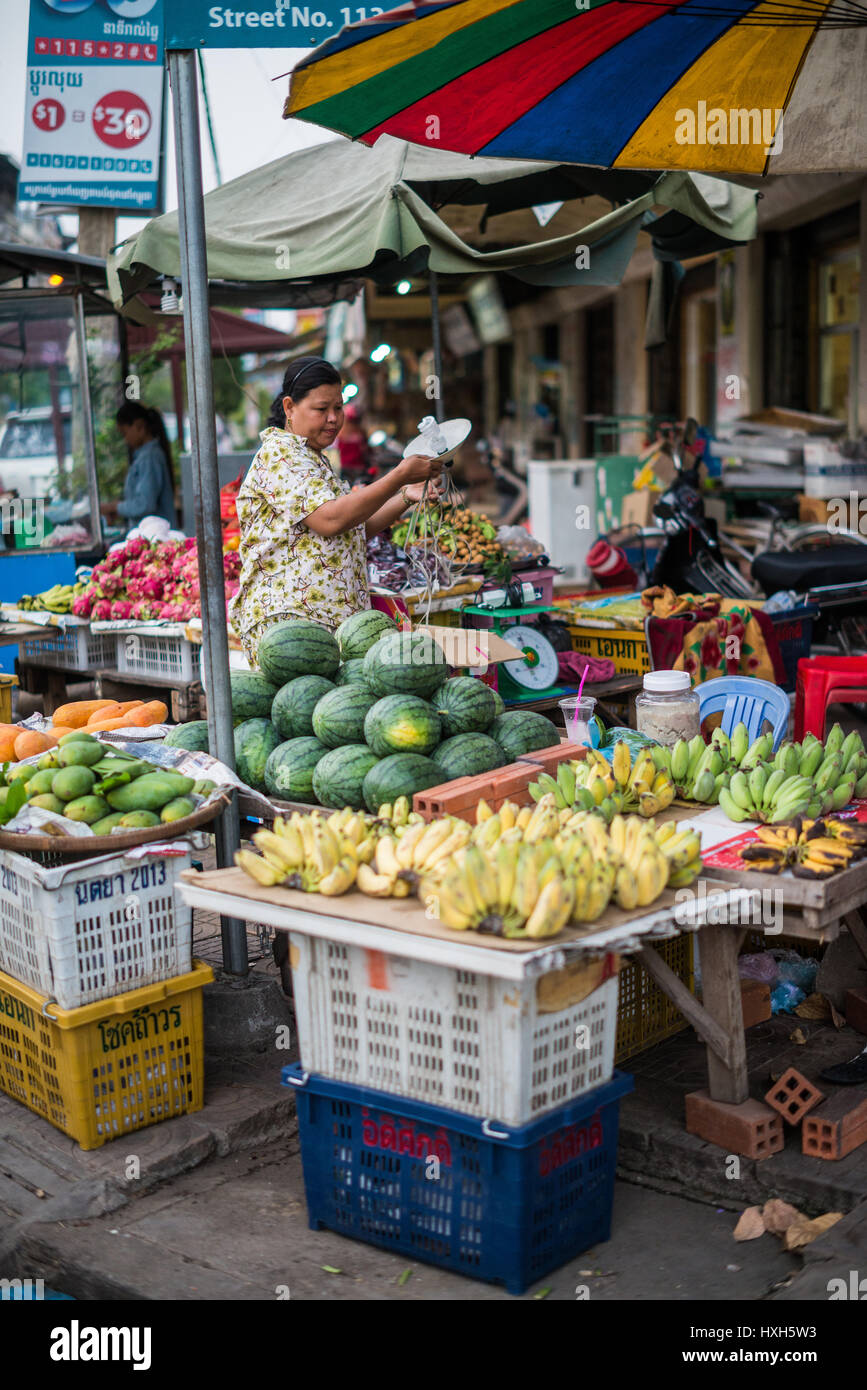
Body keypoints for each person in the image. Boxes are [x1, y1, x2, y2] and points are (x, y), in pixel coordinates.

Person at [231, 356, 442, 663]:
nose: (333, 418)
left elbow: (353, 528)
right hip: (290, 631)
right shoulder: (280, 455)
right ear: (290, 408)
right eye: (321, 409)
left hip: (327, 631)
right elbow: (331, 519)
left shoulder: (313, 459)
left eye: (338, 407)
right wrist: (398, 475)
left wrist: (406, 496)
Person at [115, 402, 177, 531]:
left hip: (156, 537)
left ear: (139, 426)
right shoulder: (147, 455)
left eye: (124, 433)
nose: (125, 440)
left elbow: (145, 504)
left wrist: (114, 507)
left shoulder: (149, 457)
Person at [336, 403, 371, 480]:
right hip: (346, 469)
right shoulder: (340, 434)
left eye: (353, 422)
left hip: (358, 469)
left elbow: (366, 452)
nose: (351, 424)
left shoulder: (360, 434)